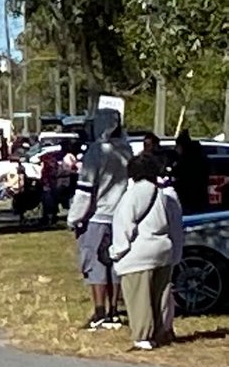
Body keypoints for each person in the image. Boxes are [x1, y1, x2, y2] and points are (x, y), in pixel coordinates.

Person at [110, 154, 186, 352]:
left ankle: (143, 336)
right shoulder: (164, 195)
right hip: (163, 249)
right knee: (160, 295)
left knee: (139, 296)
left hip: (139, 252)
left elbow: (123, 226)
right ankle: (163, 331)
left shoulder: (132, 195)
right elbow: (174, 225)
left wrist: (117, 252)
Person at [67, 106, 134, 330]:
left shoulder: (96, 151)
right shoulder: (126, 150)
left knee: (95, 265)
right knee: (115, 263)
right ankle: (114, 311)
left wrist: (74, 217)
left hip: (97, 217)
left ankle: (99, 312)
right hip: (121, 215)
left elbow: (86, 189)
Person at [174, 130, 211, 215]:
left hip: (188, 198)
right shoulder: (199, 158)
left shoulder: (185, 162)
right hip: (199, 197)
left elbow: (181, 177)